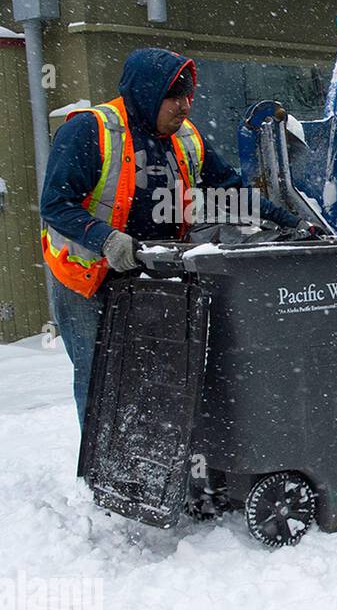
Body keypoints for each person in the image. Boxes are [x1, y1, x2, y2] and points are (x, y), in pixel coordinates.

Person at [40, 47, 307, 425]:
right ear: (147, 94)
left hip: (150, 273)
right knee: (100, 378)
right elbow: (55, 204)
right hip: (88, 279)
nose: (184, 107)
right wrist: (107, 240)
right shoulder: (89, 130)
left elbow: (228, 189)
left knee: (154, 375)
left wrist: (286, 221)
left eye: (187, 96)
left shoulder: (186, 137)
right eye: (173, 97)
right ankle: (99, 477)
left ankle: (148, 459)